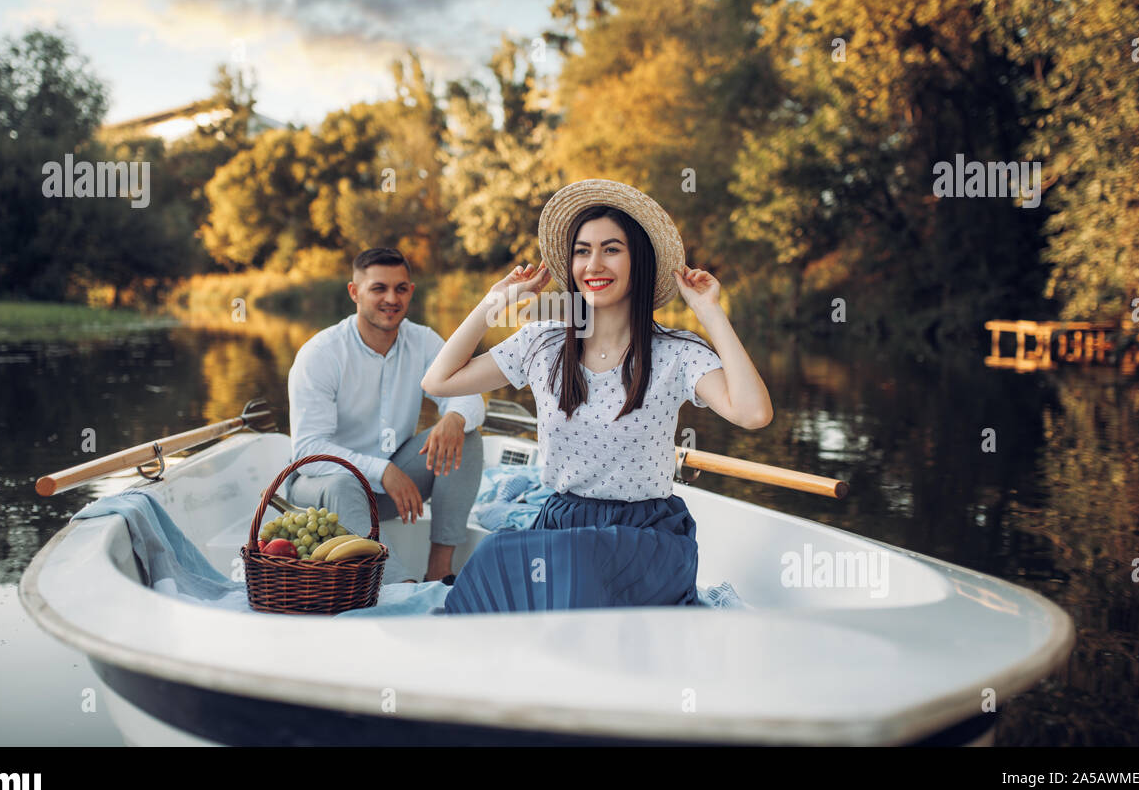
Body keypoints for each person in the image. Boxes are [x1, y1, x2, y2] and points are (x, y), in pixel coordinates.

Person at [421, 179, 773, 612]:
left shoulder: (677, 353)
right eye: (582, 251)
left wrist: (710, 312)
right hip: (563, 525)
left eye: (611, 249)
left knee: (551, 579)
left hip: (647, 537)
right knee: (495, 564)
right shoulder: (542, 343)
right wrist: (493, 304)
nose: (593, 264)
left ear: (638, 261)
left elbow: (753, 413)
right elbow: (438, 382)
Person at [284, 247, 485, 584]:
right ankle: (399, 588)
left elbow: (470, 396)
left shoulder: (422, 341)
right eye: (379, 288)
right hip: (321, 490)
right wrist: (382, 470)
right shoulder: (321, 353)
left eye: (401, 288)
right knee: (343, 483)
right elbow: (308, 452)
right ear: (355, 292)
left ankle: (439, 570)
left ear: (411, 292)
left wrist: (454, 418)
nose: (391, 298)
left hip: (391, 490)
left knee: (465, 435)